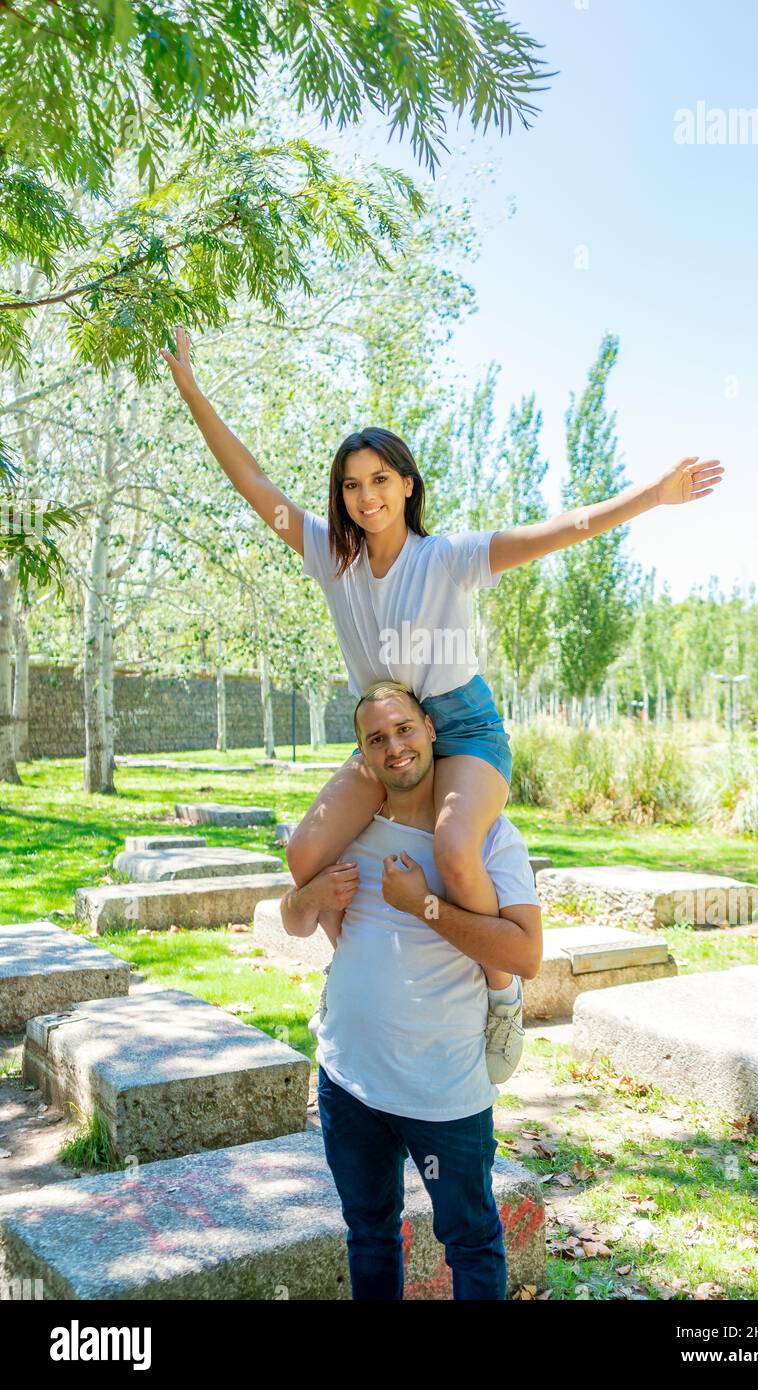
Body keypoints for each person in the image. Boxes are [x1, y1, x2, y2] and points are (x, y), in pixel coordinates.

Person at [161, 323, 723, 1080]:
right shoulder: (331, 557)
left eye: (381, 481)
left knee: (457, 852)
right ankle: (352, 972)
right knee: (304, 854)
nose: (366, 497)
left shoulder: (448, 558)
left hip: (459, 726)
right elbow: (253, 482)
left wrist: (655, 496)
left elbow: (559, 530)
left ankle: (500, 996)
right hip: (389, 732)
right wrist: (193, 389)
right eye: (352, 486)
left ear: (408, 484)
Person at [278, 679, 543, 1300]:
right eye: (376, 739)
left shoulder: (489, 836)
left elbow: (525, 954)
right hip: (349, 1079)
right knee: (368, 1232)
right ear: (362, 758)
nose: (394, 747)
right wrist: (309, 898)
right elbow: (294, 917)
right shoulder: (351, 833)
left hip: (444, 1092)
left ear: (429, 729)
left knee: (471, 1241)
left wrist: (422, 903)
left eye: (403, 730)